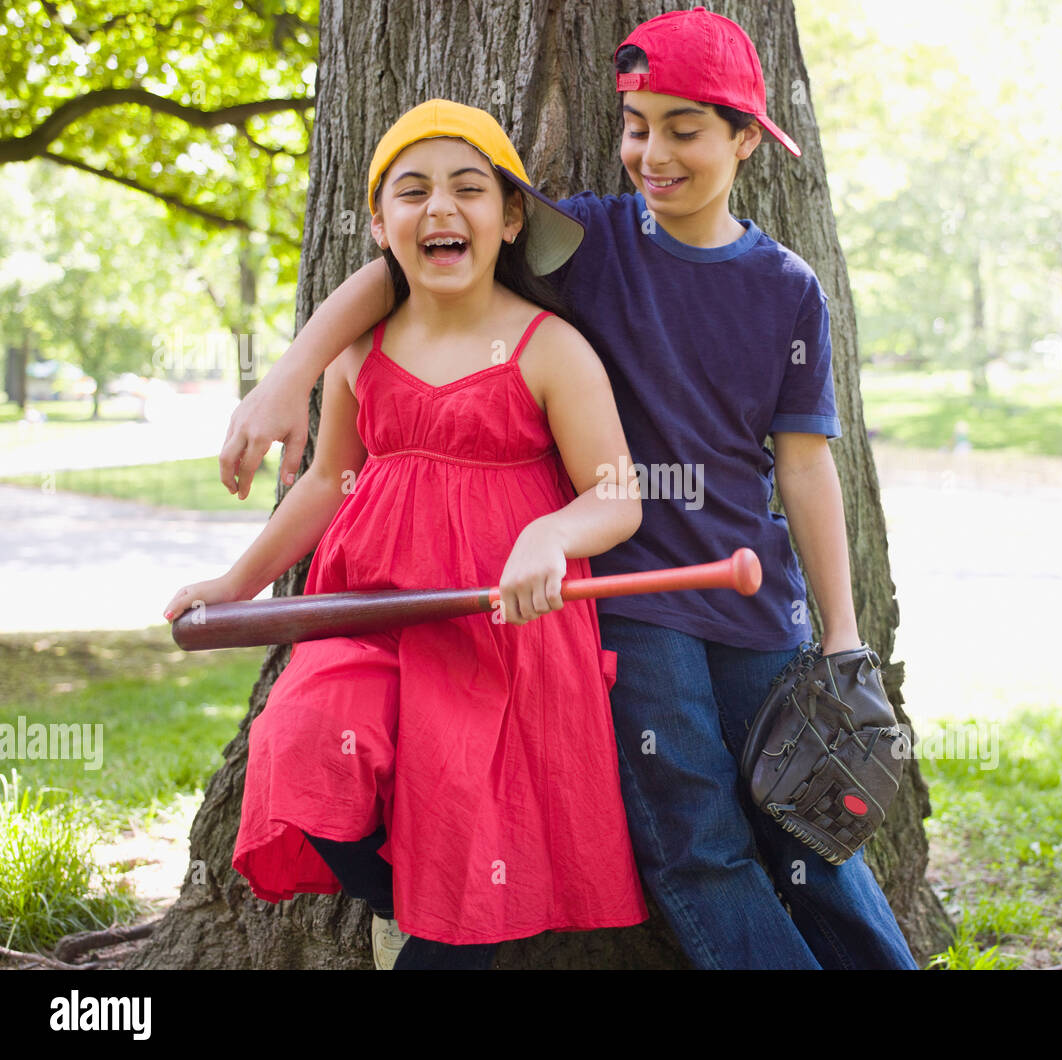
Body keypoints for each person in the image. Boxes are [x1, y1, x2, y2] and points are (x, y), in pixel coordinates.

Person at [217, 10, 916, 970]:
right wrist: (289, 373)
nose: (654, 152)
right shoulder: (586, 238)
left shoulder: (789, 289)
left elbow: (804, 465)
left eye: (685, 129)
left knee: (813, 825)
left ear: (747, 139)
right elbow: (401, 272)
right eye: (638, 125)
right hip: (629, 605)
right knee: (695, 841)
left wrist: (840, 636)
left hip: (752, 601)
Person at [162, 99, 648, 969]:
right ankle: (416, 890)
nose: (441, 209)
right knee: (298, 741)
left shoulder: (550, 348)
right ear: (382, 226)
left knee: (465, 826)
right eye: (412, 192)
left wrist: (550, 534)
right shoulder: (361, 354)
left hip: (498, 635)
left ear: (508, 219)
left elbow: (618, 497)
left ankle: (448, 907)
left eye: (469, 189)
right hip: (370, 616)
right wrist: (235, 583)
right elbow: (324, 483)